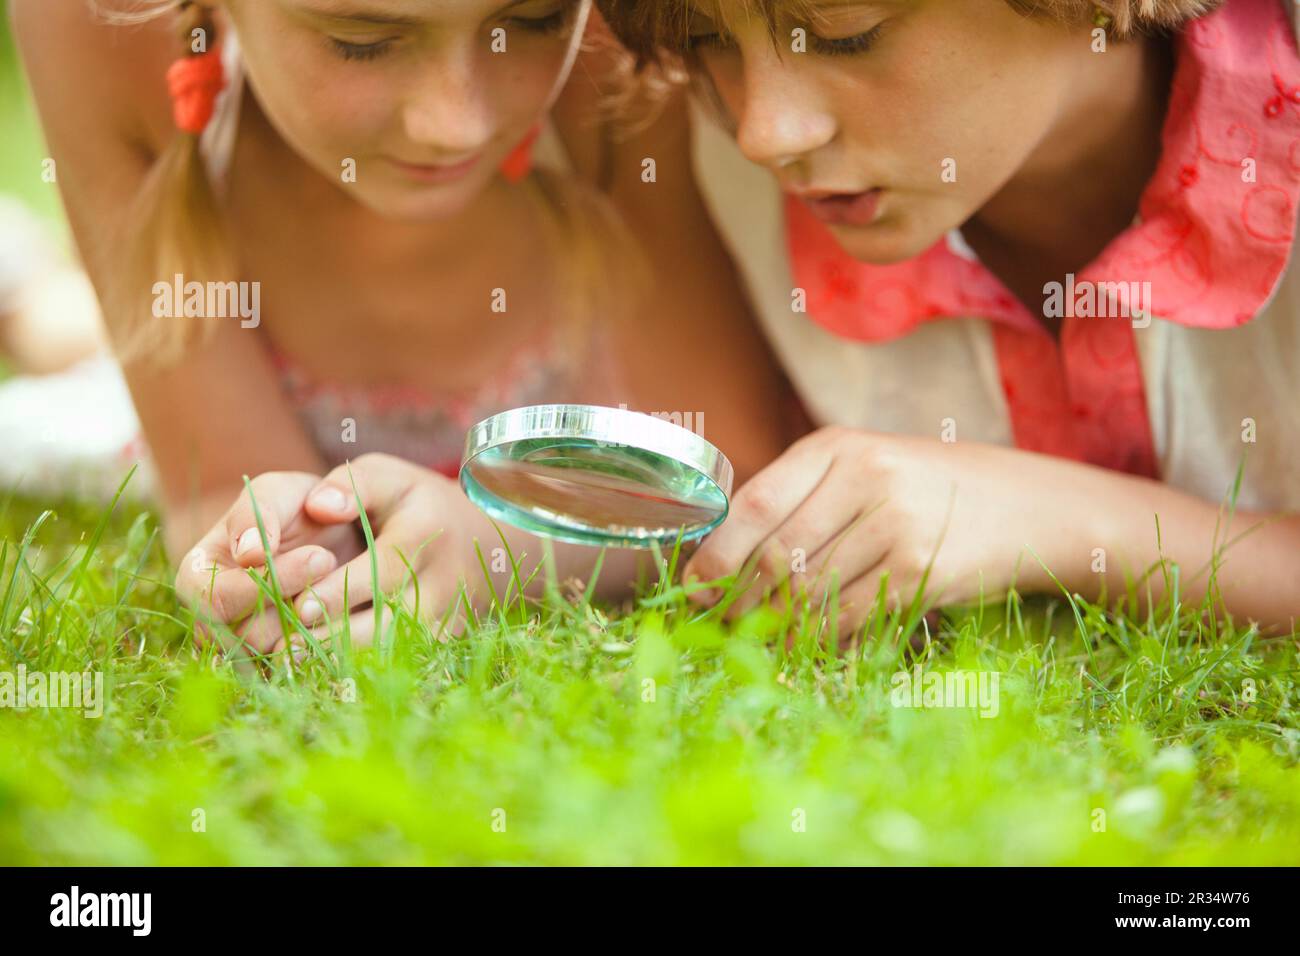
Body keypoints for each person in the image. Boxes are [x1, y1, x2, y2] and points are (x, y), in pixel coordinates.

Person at [12, 0, 794, 651]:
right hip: (140, 391)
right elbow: (219, 481)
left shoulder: (612, 45)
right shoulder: (94, 24)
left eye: (534, 18)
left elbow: (720, 482)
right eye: (364, 41)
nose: (453, 124)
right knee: (70, 366)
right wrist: (274, 544)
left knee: (76, 346)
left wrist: (499, 551)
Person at [596, 0, 1300, 630]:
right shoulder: (682, 140)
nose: (765, 133)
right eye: (706, 36)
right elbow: (709, 499)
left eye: (845, 34)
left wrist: (1046, 518)